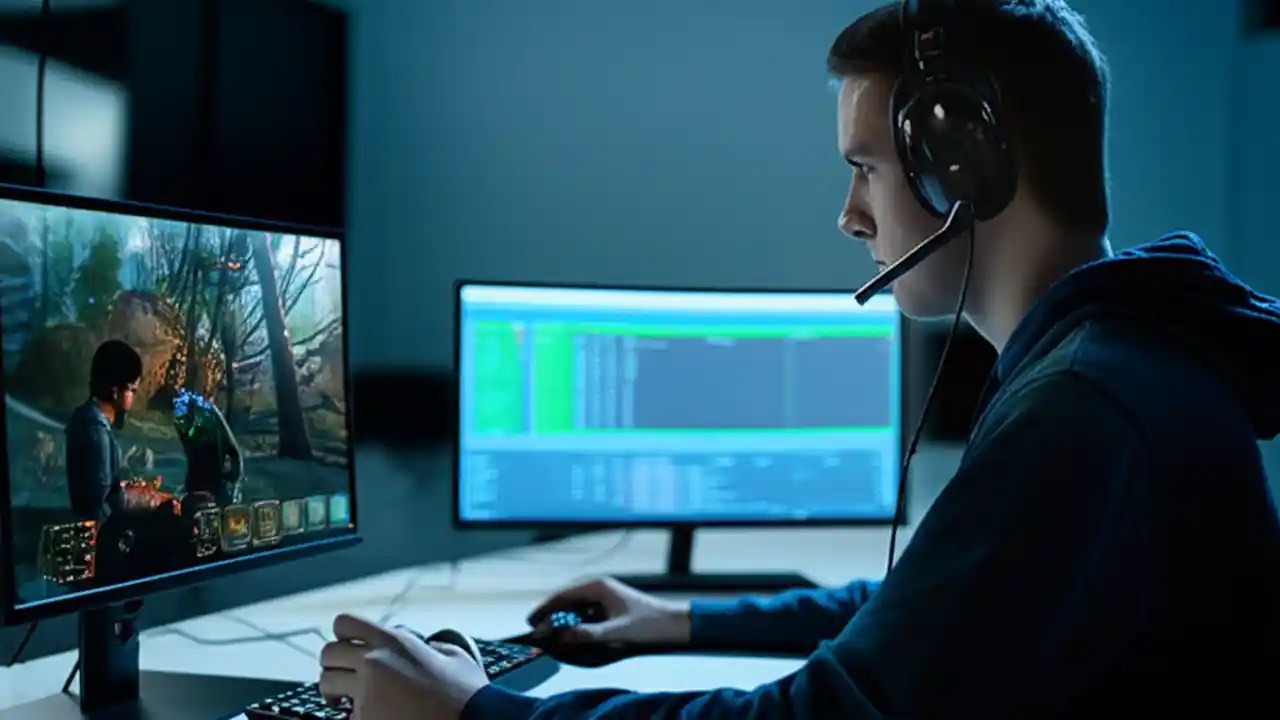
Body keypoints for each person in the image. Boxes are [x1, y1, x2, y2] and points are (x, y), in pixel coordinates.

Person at [318, 1, 1280, 717]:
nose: (849, 215)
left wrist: (474, 712)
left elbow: (824, 716)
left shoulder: (1083, 406)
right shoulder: (1120, 361)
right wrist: (680, 621)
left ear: (962, 169)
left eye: (865, 168)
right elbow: (932, 605)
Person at [66, 339, 143, 524]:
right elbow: (100, 499)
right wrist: (147, 500)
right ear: (116, 390)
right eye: (132, 390)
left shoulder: (86, 419)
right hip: (101, 534)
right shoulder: (96, 428)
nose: (133, 396)